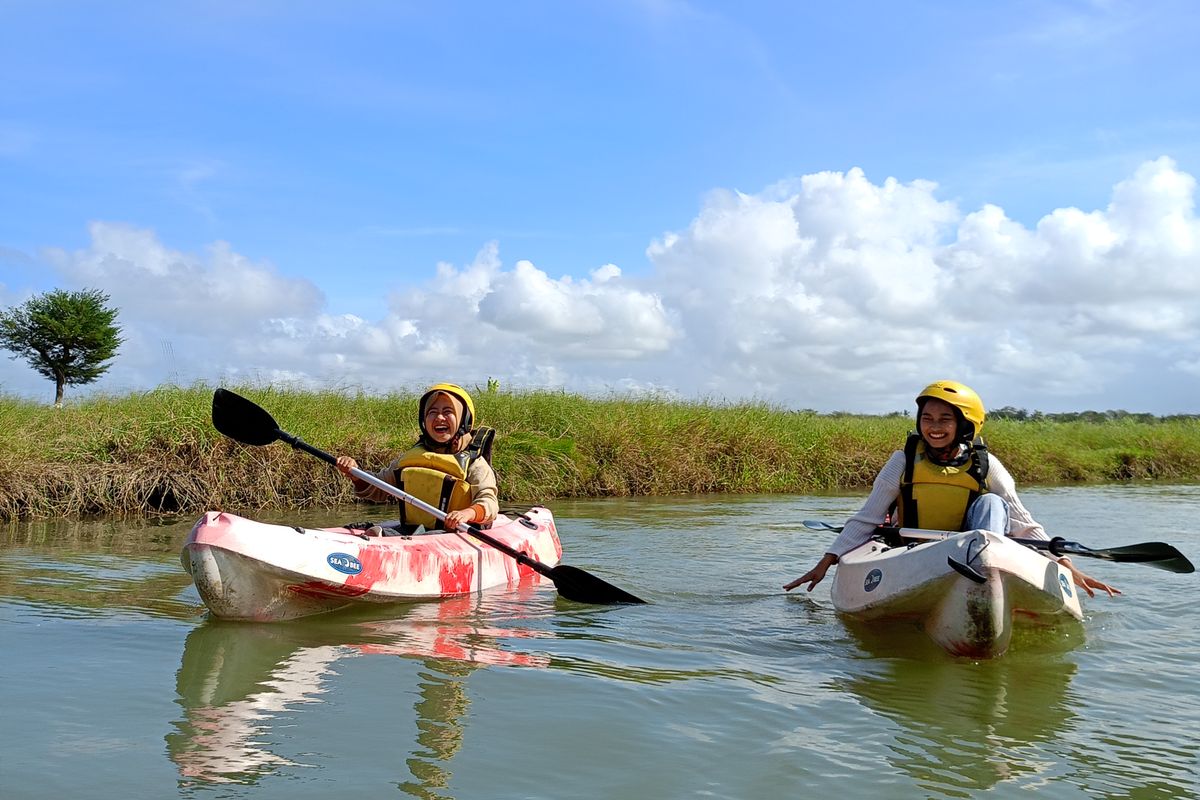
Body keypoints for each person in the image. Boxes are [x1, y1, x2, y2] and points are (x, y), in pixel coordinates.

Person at [784, 380, 1120, 598]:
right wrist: (826, 561)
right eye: (927, 419)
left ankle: (984, 574)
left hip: (972, 557)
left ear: (964, 425)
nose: (934, 427)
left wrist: (1066, 566)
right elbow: (867, 518)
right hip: (913, 551)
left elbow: (1023, 524)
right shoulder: (902, 461)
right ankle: (977, 574)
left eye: (945, 419)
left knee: (993, 502)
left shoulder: (987, 466)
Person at [336, 383, 499, 534]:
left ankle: (384, 536)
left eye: (448, 412)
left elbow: (489, 503)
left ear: (464, 420)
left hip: (454, 533)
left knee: (422, 533)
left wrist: (467, 513)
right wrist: (355, 474)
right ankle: (383, 536)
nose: (440, 418)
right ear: (424, 420)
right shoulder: (411, 458)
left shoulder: (474, 463)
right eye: (432, 412)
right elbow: (378, 488)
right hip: (414, 531)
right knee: (407, 532)